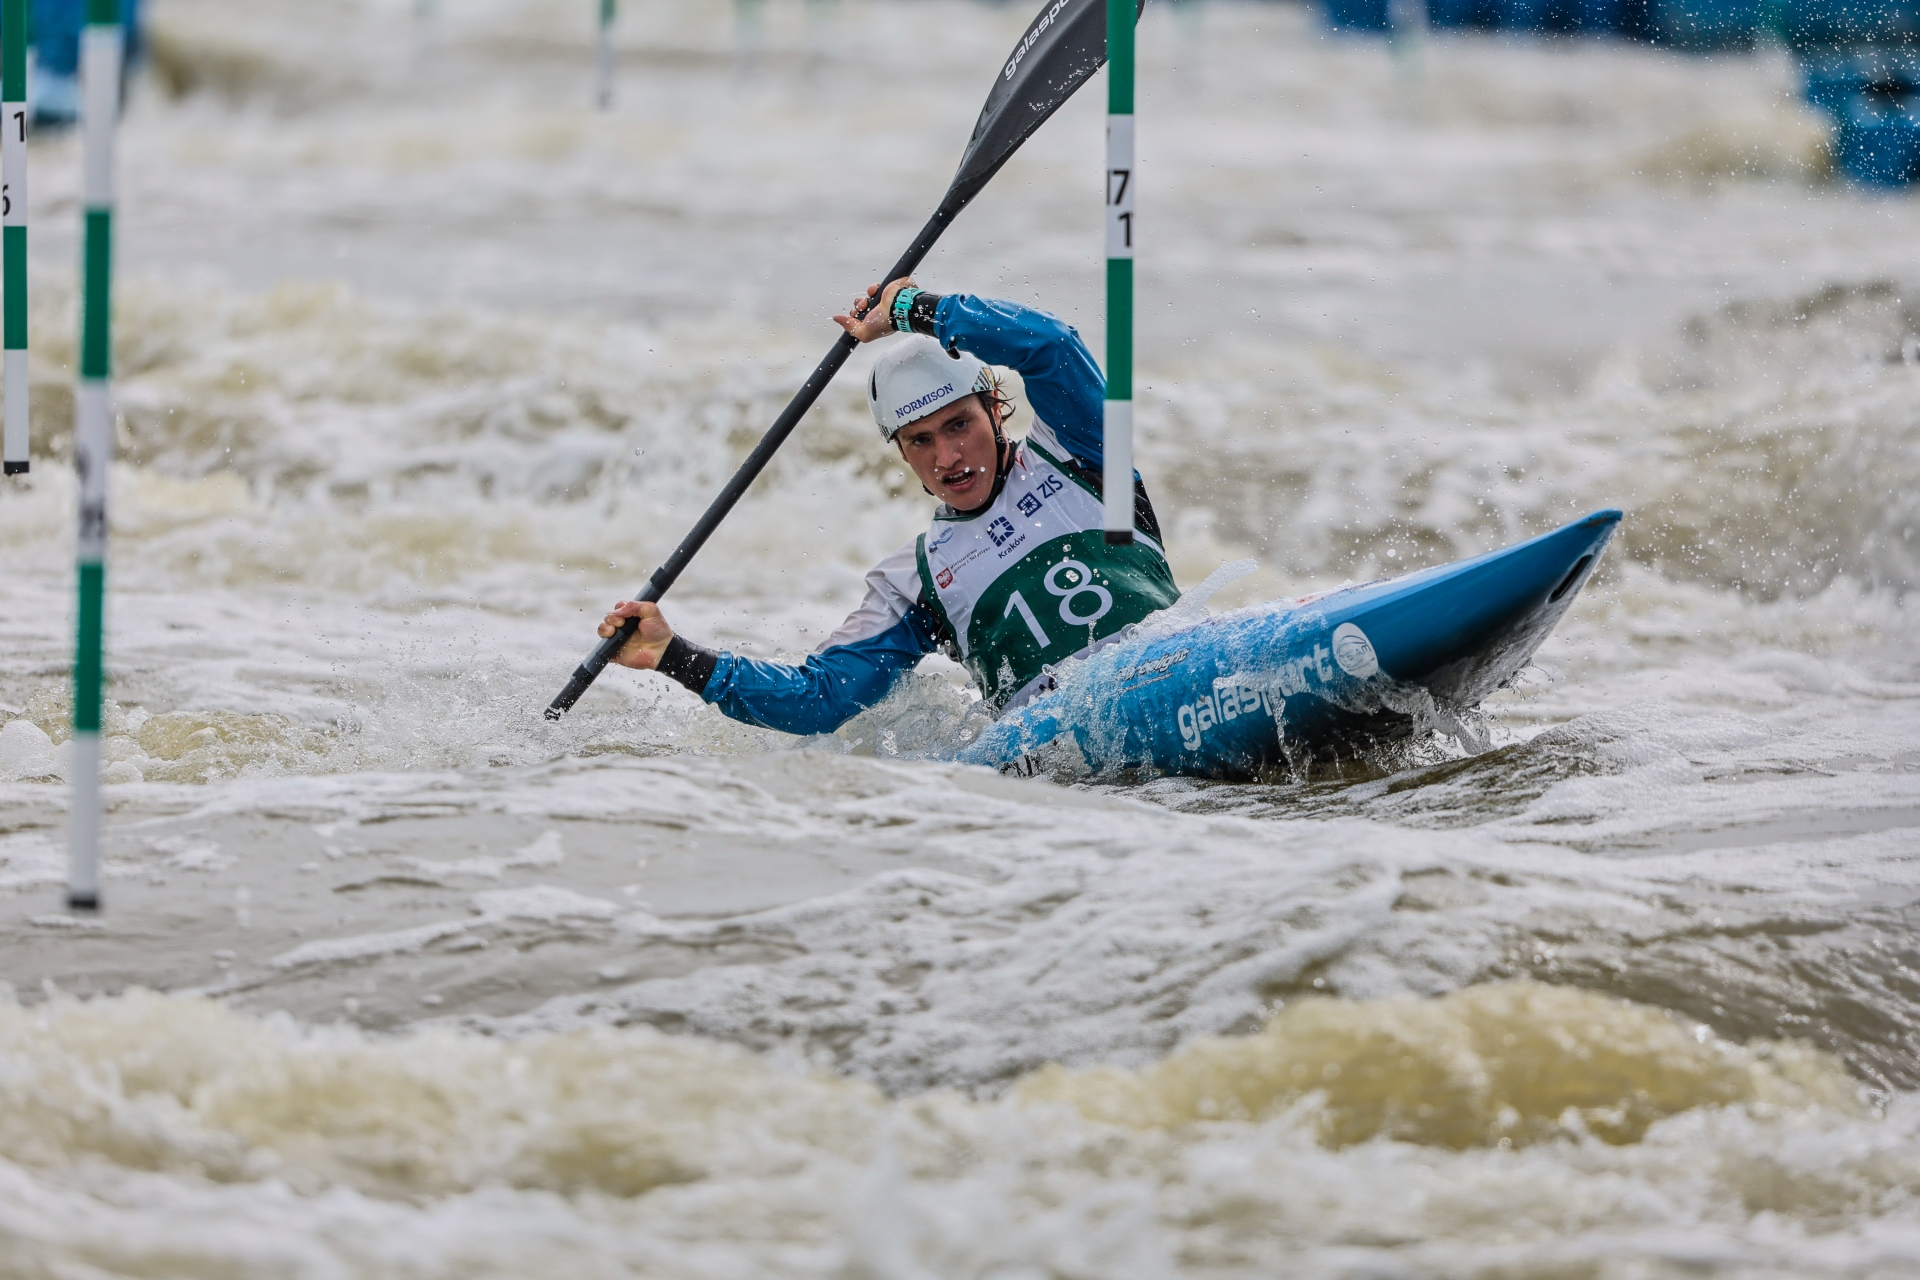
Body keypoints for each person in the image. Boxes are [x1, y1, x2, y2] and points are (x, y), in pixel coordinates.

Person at [596, 278, 1181, 734]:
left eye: (959, 425)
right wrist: (673, 655)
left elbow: (1051, 345)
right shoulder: (916, 580)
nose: (948, 457)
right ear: (901, 453)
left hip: (1181, 672)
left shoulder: (1084, 454)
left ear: (996, 410)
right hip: (1071, 746)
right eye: (920, 440)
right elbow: (820, 700)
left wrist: (917, 310)